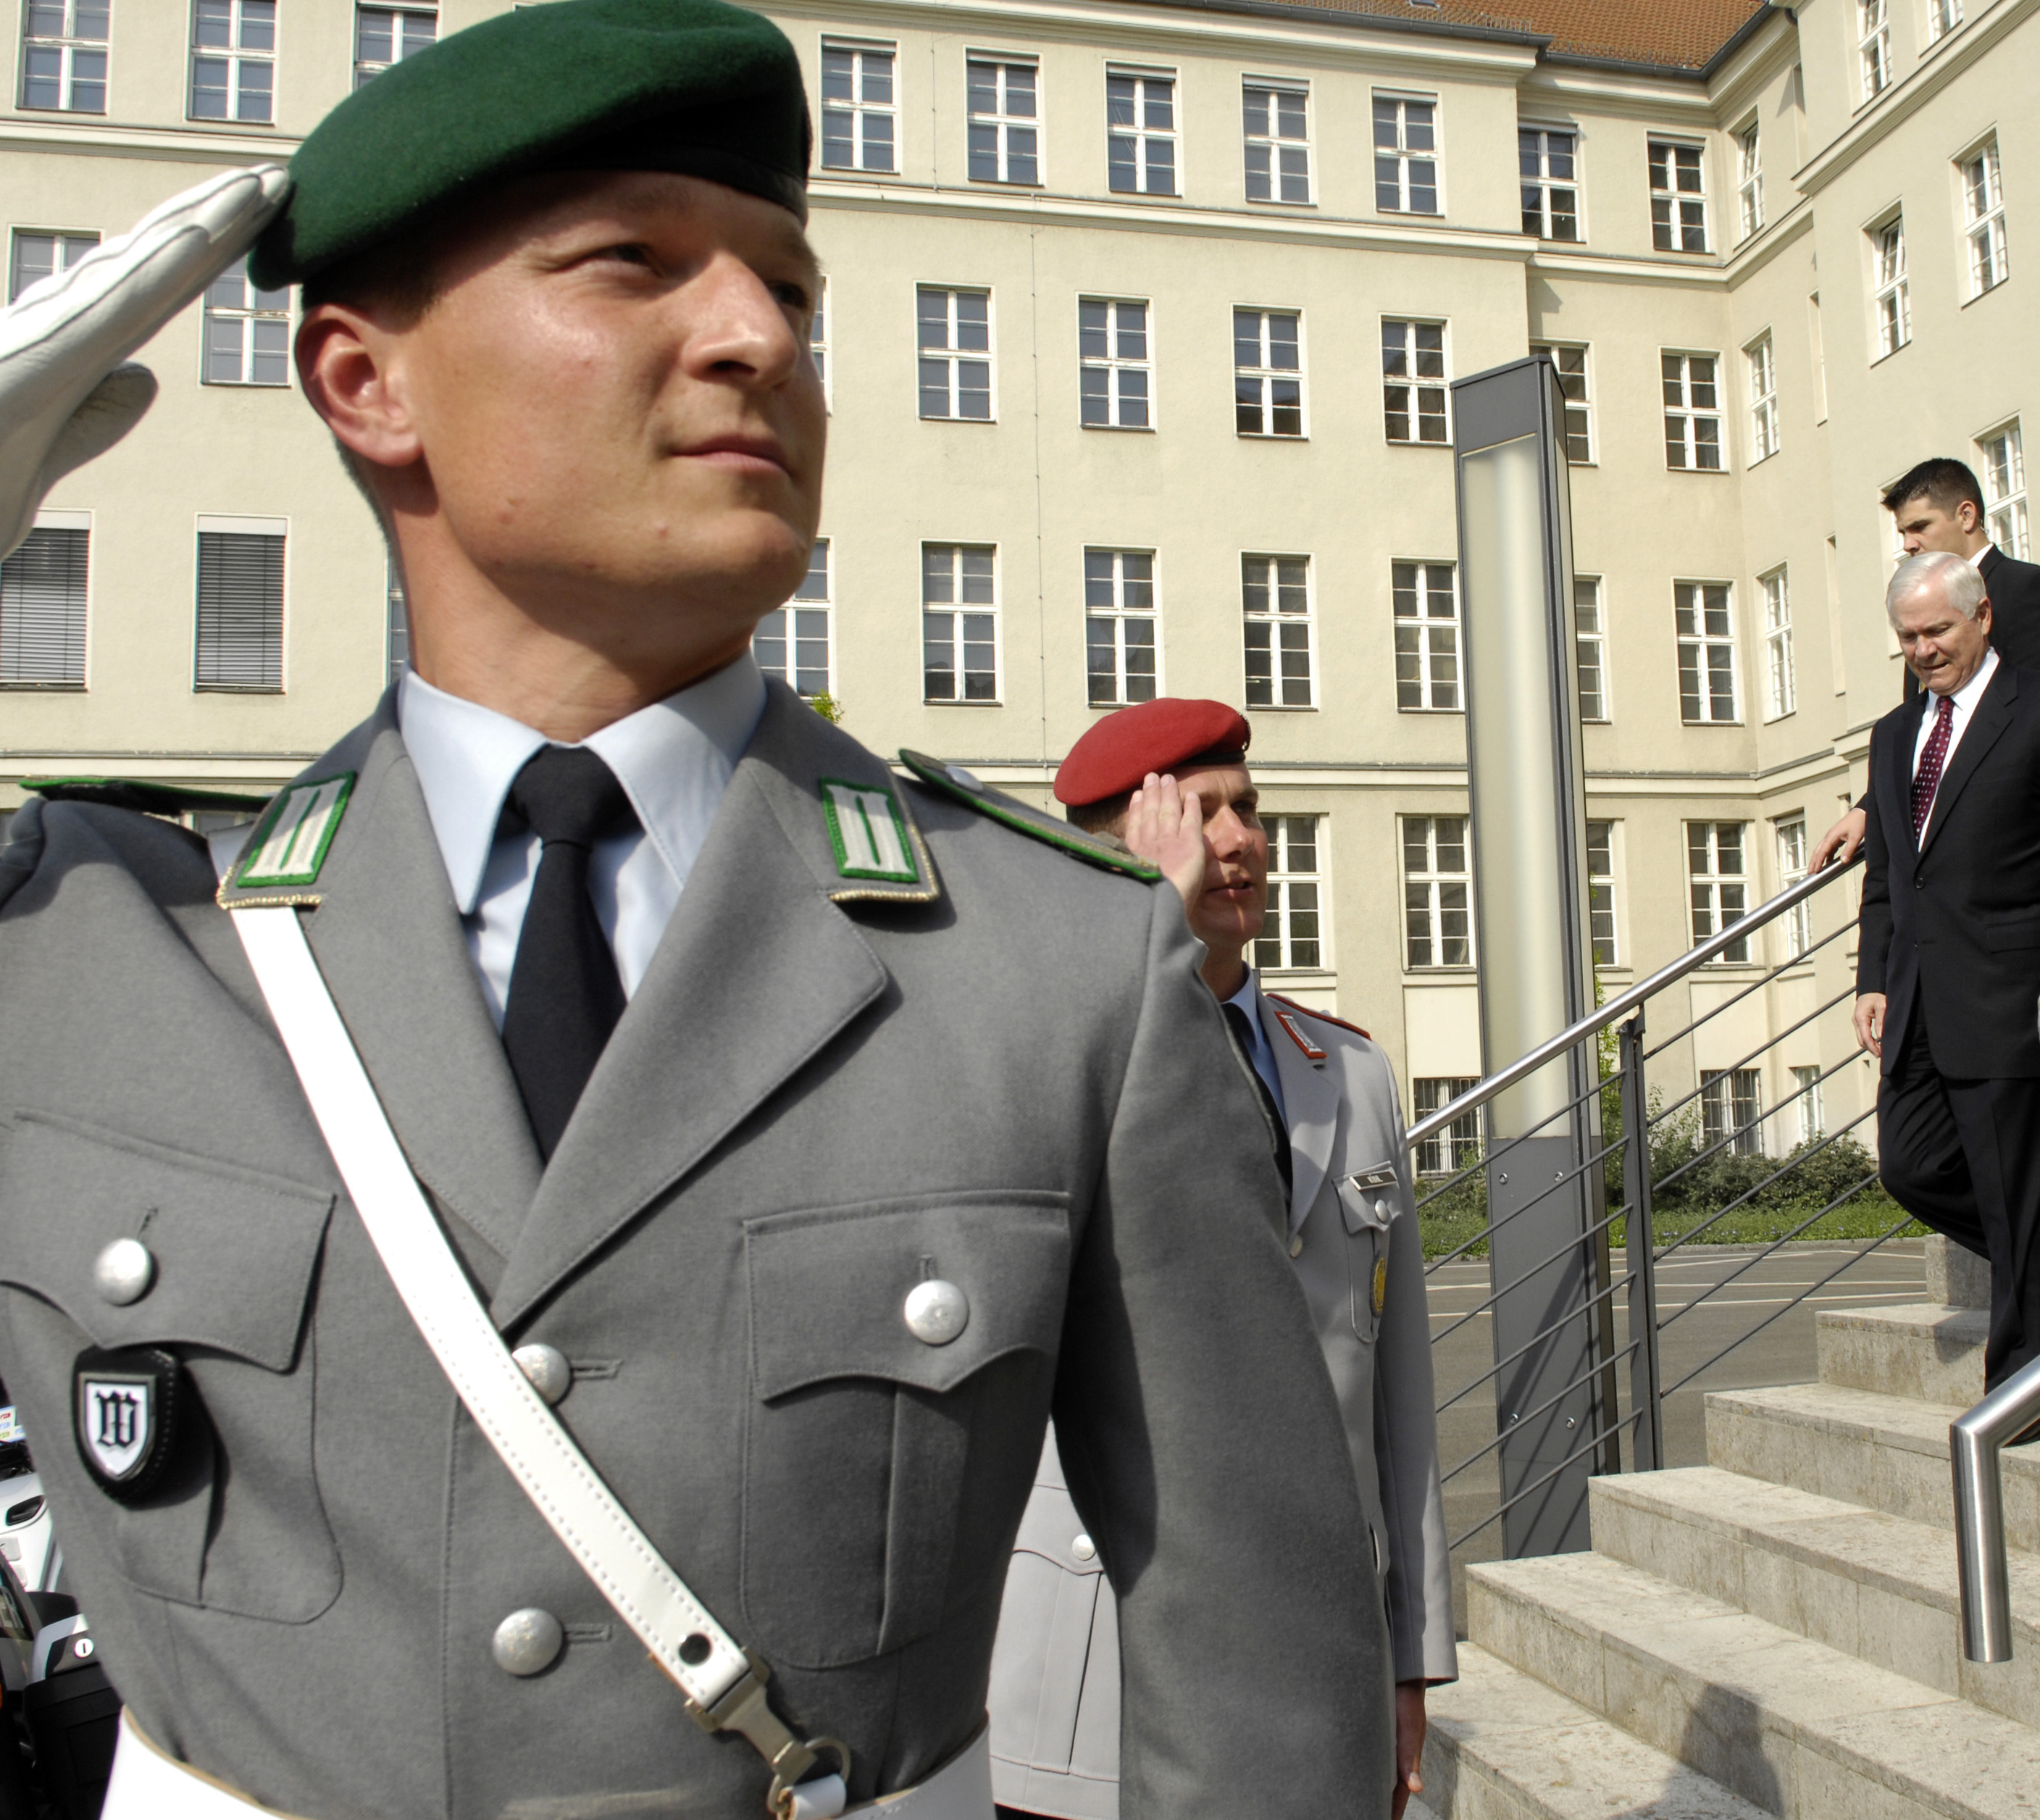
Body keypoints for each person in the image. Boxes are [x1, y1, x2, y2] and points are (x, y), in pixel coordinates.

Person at [0, 4, 1395, 1814]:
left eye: (789, 295)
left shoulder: (1050, 966)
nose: (756, 338)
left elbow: (1258, 1671)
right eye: (632, 265)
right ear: (364, 381)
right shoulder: (88, 946)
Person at [986, 699, 1455, 1820]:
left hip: (1313, 1649)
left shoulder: (1349, 1075)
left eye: (1248, 809)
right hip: (1105, 1646)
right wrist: (1144, 932)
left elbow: (1400, 1401)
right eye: (1199, 815)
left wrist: (1408, 1659)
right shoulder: (1046, 1061)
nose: (1241, 840)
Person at [1852, 554, 2040, 1443]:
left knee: (2018, 1192)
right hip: (1920, 997)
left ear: (1981, 619)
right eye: (1908, 636)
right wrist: (1871, 978)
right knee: (1911, 1166)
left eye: (1936, 630)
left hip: (2021, 995)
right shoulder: (1894, 735)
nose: (1923, 649)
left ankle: (2026, 1389)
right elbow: (1888, 875)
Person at [1813, 458, 2040, 870]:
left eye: (1920, 527)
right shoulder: (1920, 607)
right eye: (1903, 532)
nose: (1907, 543)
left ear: (1967, 515)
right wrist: (1869, 808)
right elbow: (1926, 728)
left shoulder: (2030, 591)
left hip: (2007, 855)